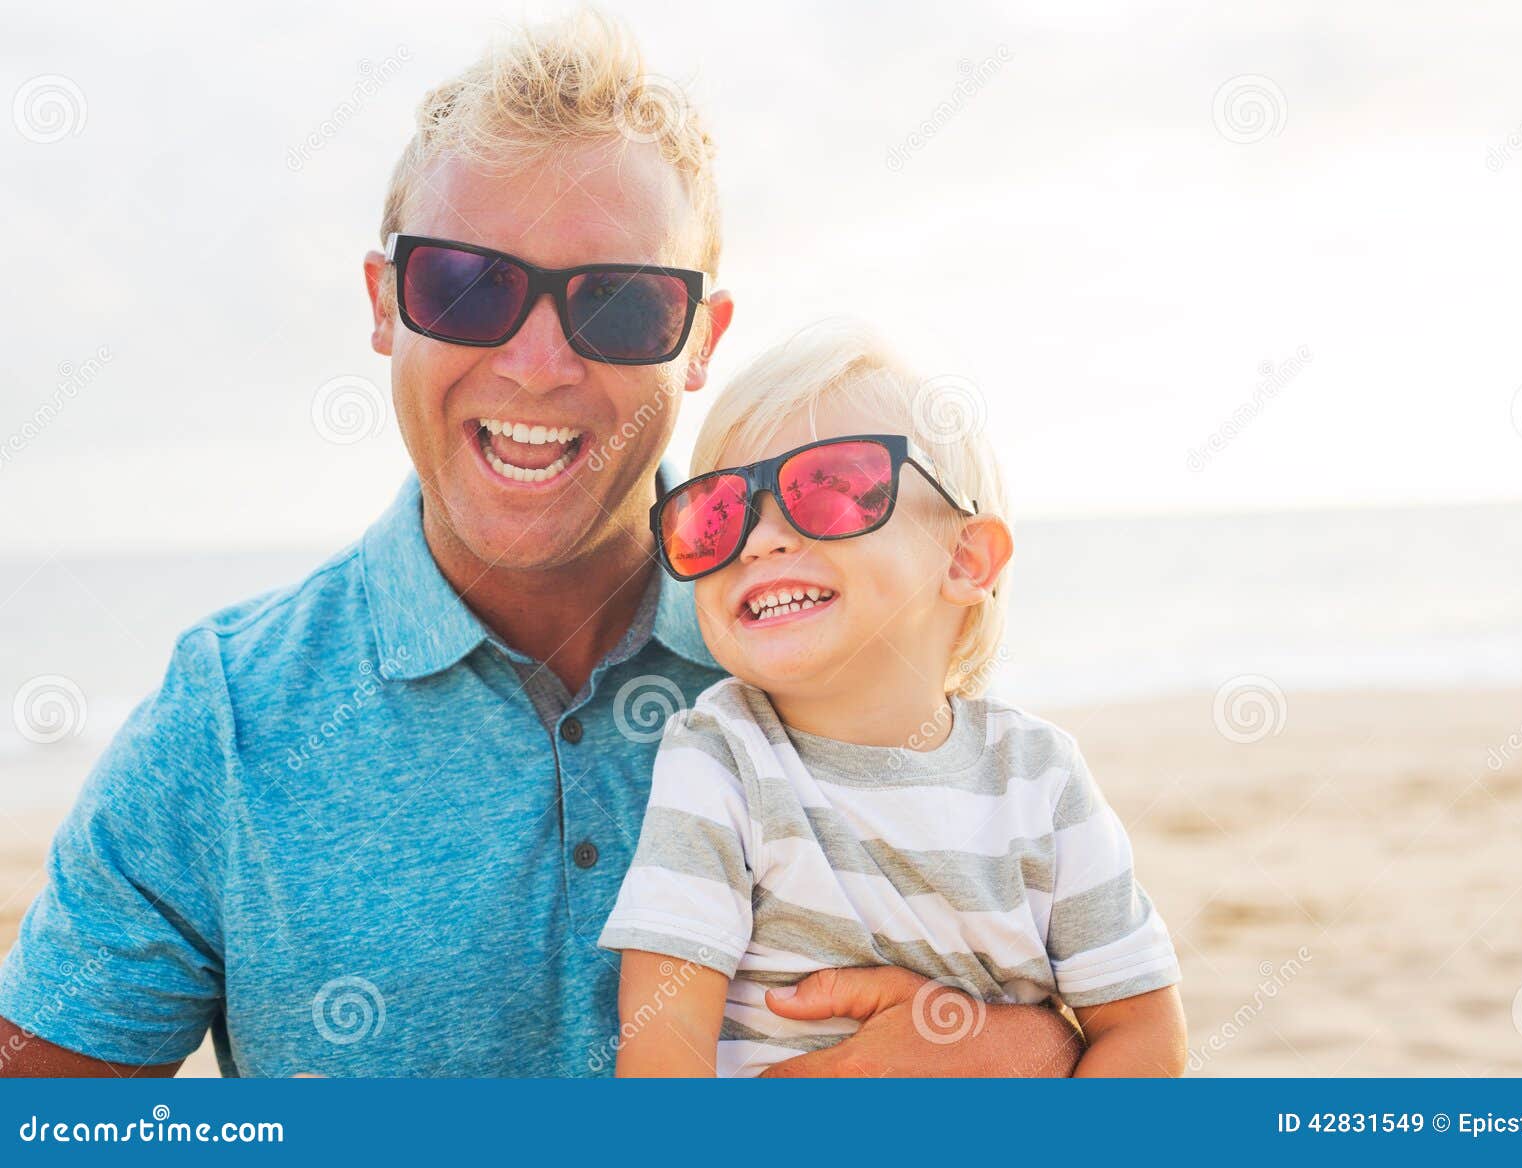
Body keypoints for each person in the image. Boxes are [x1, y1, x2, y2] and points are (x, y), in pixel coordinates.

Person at [0, 12, 1080, 1077]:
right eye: (467, 285)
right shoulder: (229, 718)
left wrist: (1026, 1045)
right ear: (386, 305)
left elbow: (1078, 1001)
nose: (536, 363)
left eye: (618, 304)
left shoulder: (841, 653)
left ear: (700, 339)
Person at [601, 322, 1185, 1076]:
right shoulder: (719, 760)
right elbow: (661, 1042)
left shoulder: (1041, 778)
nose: (759, 540)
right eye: (717, 514)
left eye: (831, 491)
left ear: (967, 559)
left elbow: (1142, 1034)